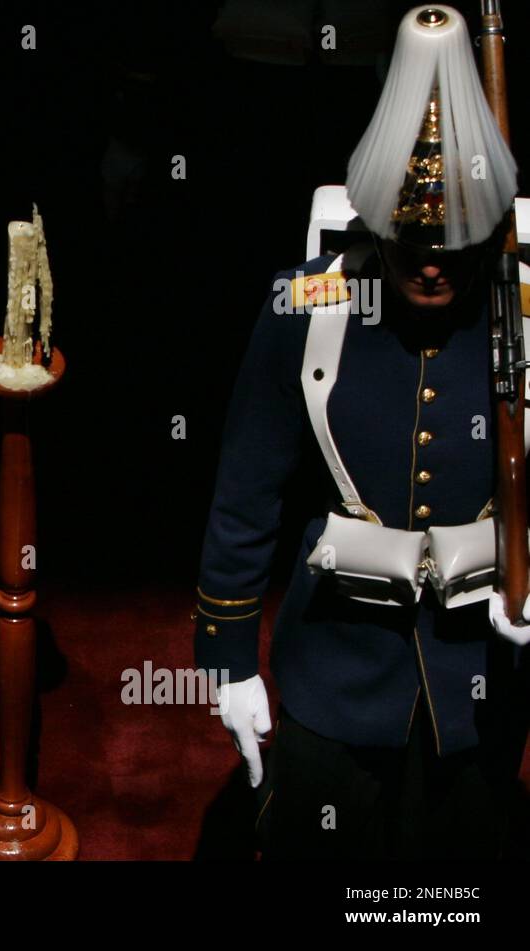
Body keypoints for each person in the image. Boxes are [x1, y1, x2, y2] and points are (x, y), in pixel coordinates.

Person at [194, 4, 529, 859]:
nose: (430, 264)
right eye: (414, 237)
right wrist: (228, 658)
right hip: (335, 669)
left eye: (453, 243)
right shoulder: (307, 308)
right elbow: (246, 496)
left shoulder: (521, 313)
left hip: (480, 677)